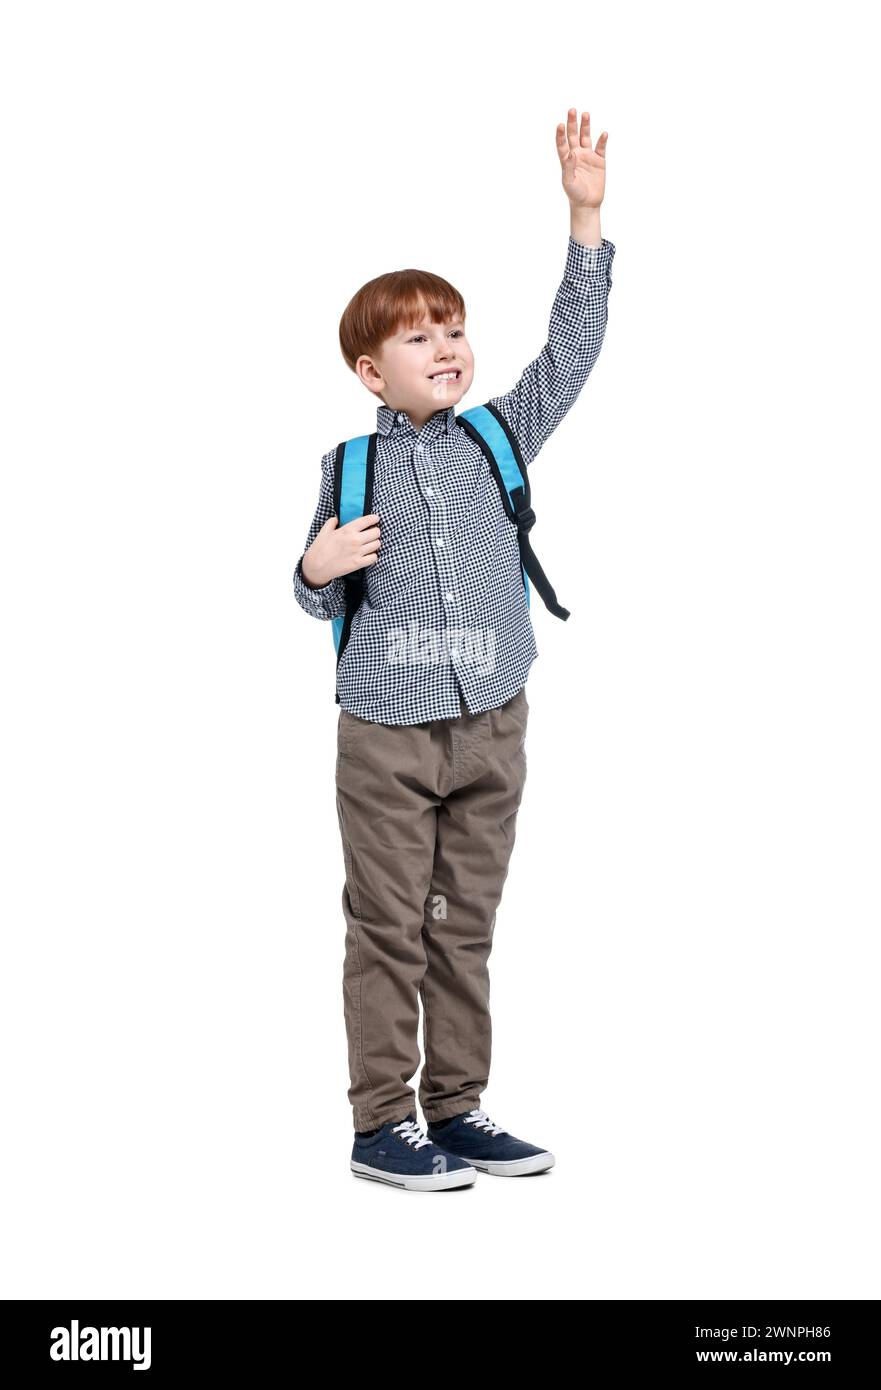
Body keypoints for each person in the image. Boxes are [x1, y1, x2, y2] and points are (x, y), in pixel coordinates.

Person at [292, 108, 615, 1191]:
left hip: (491, 721)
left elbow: (567, 351)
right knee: (387, 927)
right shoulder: (346, 468)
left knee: (459, 924)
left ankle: (457, 1104)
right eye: (418, 335)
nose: (447, 346)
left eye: (453, 327)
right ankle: (380, 1121)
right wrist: (316, 570)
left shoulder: (497, 436)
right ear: (368, 369)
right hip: (384, 737)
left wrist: (582, 218)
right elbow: (308, 590)